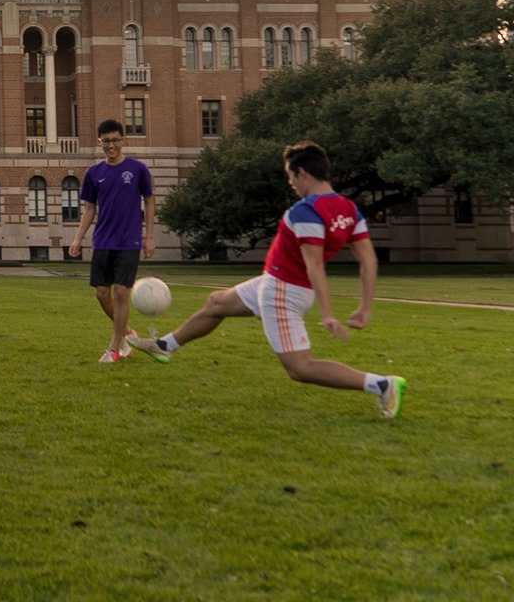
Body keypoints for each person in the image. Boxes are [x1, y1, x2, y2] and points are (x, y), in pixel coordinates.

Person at [126, 141, 407, 420]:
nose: (290, 183)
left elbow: (314, 265)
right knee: (217, 302)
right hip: (274, 282)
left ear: (302, 173)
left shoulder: (306, 211)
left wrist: (328, 313)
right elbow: (369, 260)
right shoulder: (349, 209)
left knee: (300, 367)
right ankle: (165, 346)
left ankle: (383, 385)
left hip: (283, 290)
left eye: (290, 175)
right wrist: (365, 308)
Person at [66, 119, 154, 363]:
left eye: (115, 140)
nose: (111, 145)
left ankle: (114, 348)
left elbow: (149, 200)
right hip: (103, 240)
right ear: (100, 142)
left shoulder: (137, 169)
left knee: (122, 292)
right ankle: (127, 332)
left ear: (122, 140)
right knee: (101, 293)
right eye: (106, 141)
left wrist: (149, 236)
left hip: (129, 240)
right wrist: (77, 238)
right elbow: (89, 209)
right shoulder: (93, 173)